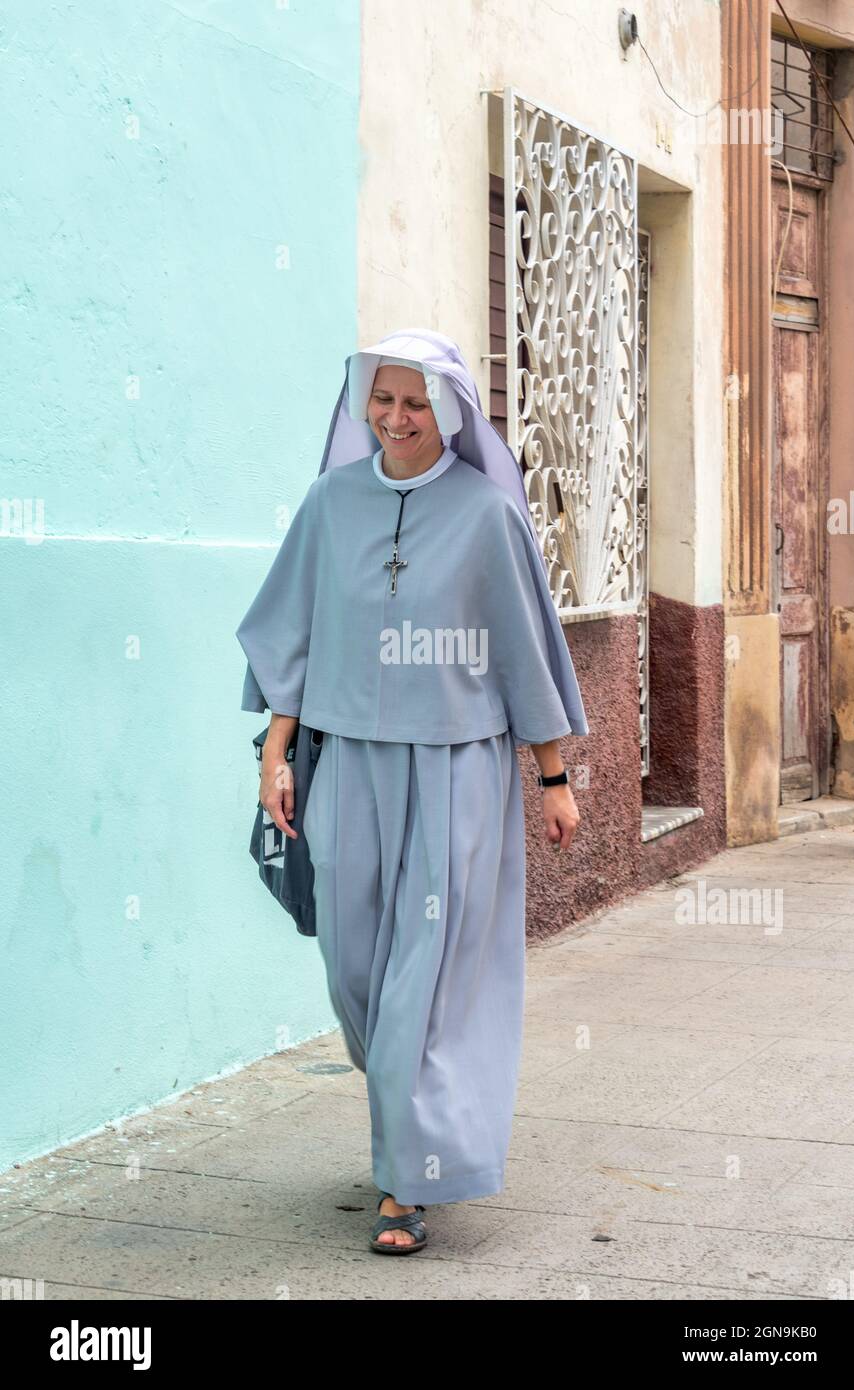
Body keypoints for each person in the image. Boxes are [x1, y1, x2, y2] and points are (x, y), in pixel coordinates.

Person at [236, 328, 589, 1254]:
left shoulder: (485, 515)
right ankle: (407, 1110)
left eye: (416, 403)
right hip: (346, 761)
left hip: (454, 770)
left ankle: (407, 1184)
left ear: (451, 411)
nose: (397, 418)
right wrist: (274, 758)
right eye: (383, 400)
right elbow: (294, 641)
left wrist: (552, 778)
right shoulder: (330, 503)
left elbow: (522, 654)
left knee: (422, 981)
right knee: (356, 969)